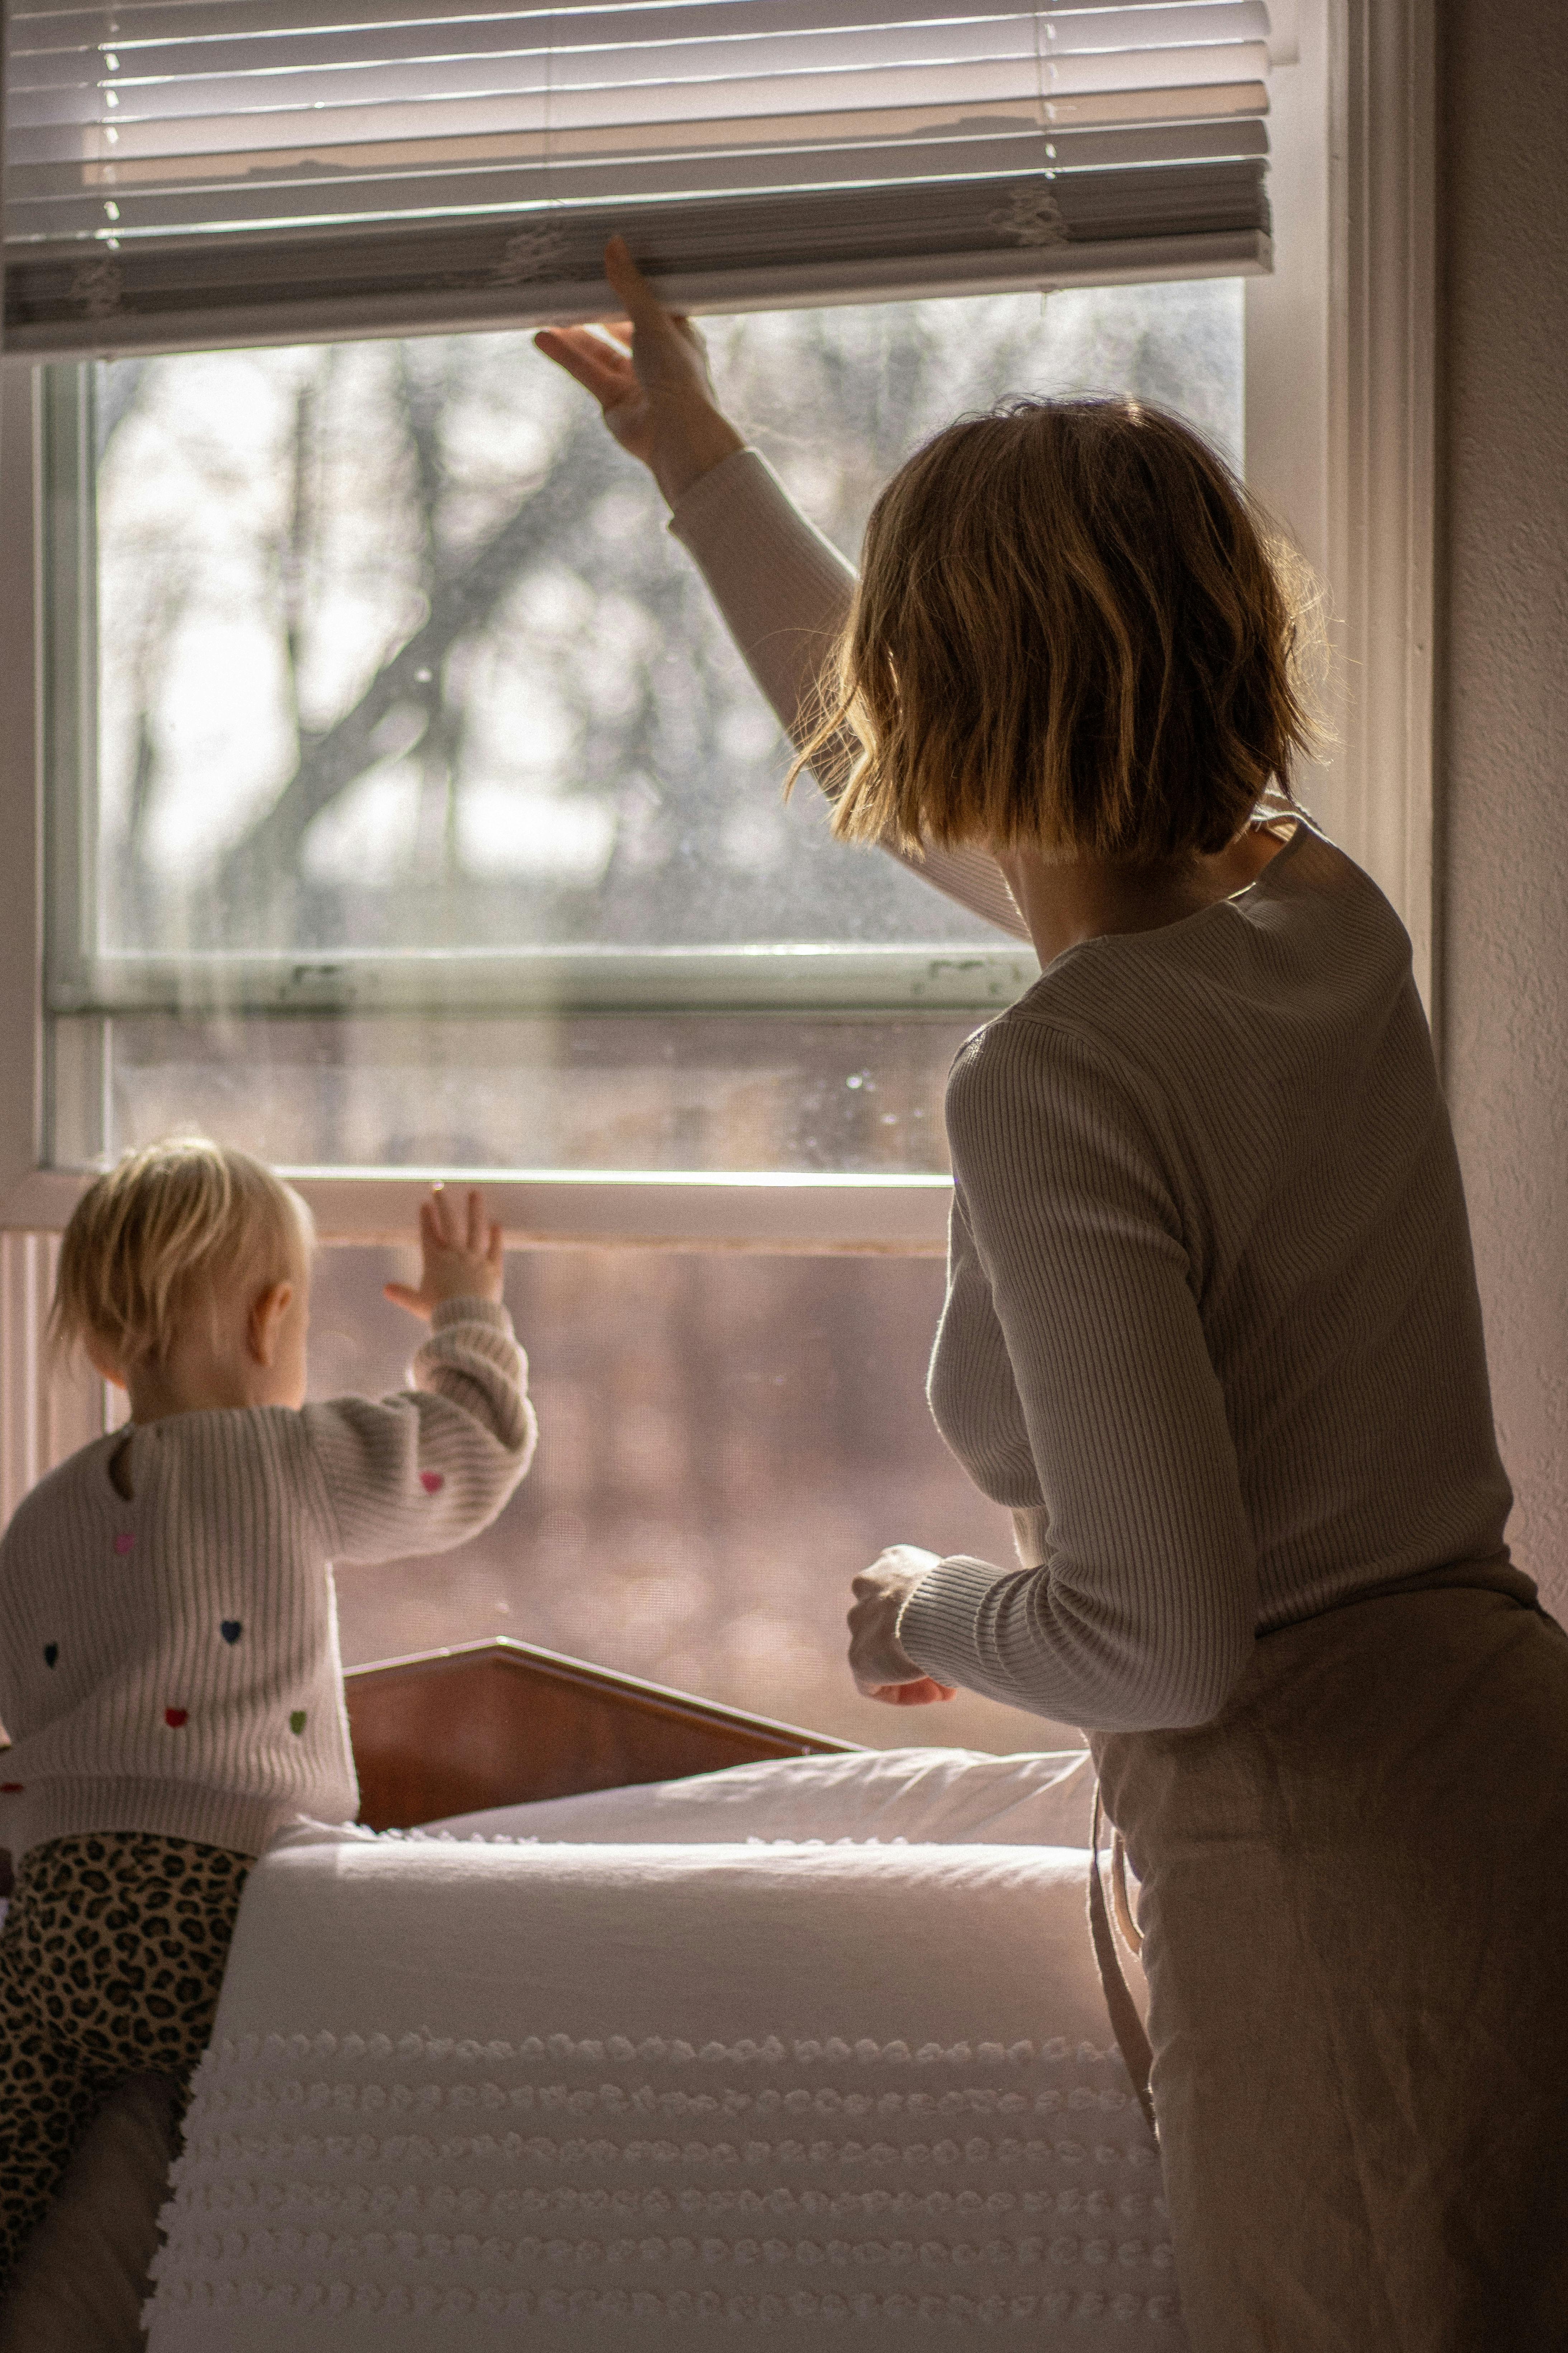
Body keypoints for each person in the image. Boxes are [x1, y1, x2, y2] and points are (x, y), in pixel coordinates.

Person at [538, 242, 1568, 2348]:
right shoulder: (1316, 909)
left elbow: (1163, 1638)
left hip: (1323, 1859)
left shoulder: (1061, 1068)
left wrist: (914, 1603)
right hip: (1504, 1768)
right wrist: (700, 462)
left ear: (948, 699)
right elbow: (943, 792)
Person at [0, 1144, 536, 2280]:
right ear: (274, 1316)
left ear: (97, 1341)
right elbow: (469, 1454)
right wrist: (466, 1314)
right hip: (226, 1908)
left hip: (56, 1916)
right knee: (290, 2165)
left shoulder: (40, 1515)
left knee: (16, 2161)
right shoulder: (287, 1460)